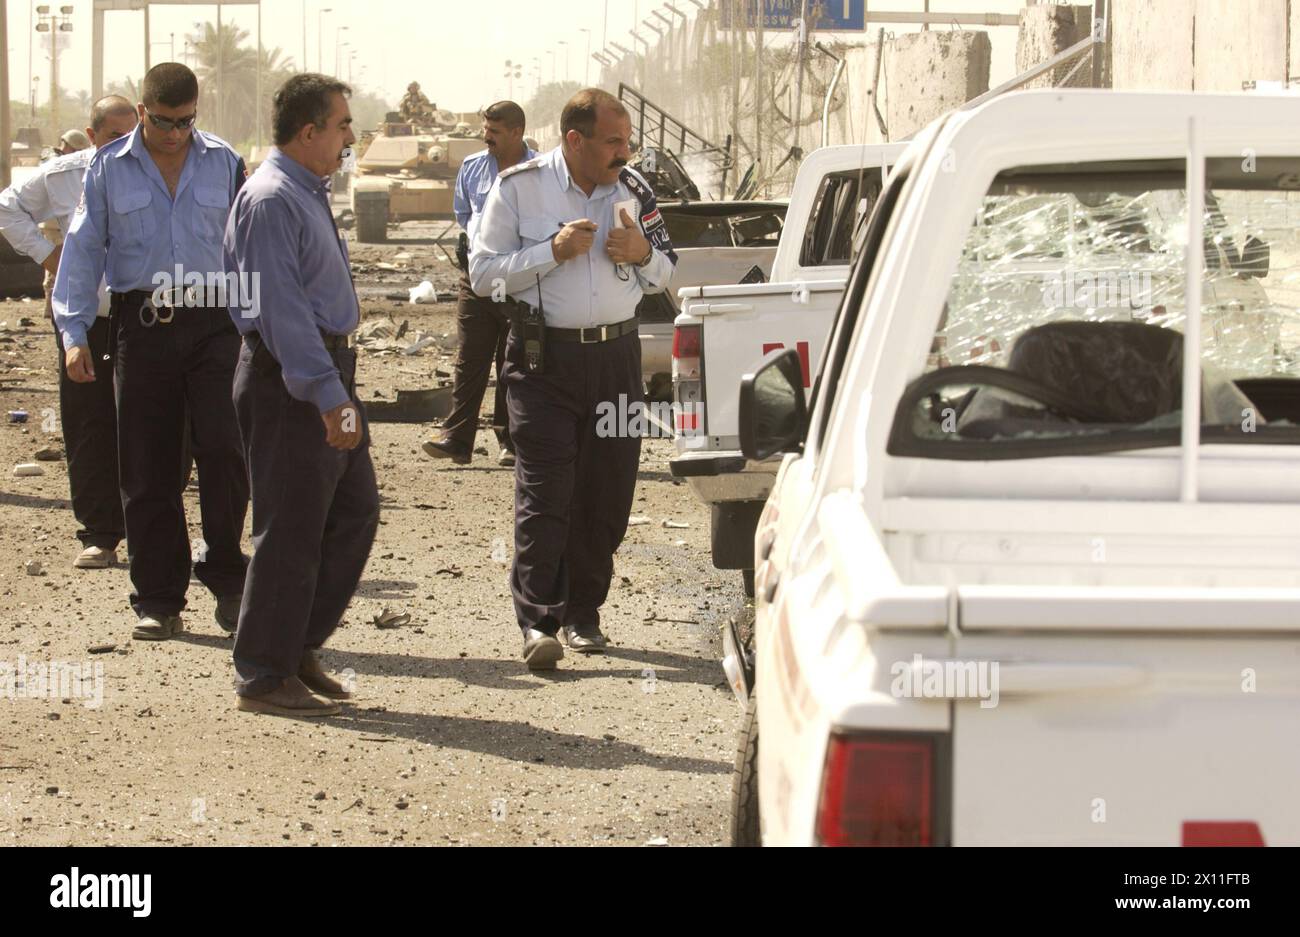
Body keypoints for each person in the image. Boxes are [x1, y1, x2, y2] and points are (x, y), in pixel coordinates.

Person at [470, 88, 677, 670]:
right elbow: (483, 274)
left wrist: (640, 253)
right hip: (543, 363)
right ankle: (539, 621)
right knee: (546, 492)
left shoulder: (636, 191)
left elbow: (665, 273)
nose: (624, 151)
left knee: (607, 492)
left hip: (616, 362)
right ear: (575, 140)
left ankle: (585, 615)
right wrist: (549, 251)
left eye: (627, 140)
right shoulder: (519, 188)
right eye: (614, 141)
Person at [52, 62, 249, 641]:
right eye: (164, 122)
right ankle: (159, 598)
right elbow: (84, 249)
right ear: (142, 112)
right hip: (143, 326)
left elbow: (248, 244)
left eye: (187, 121)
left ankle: (230, 580)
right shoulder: (108, 168)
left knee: (224, 452)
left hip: (217, 324)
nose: (176, 134)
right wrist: (73, 332)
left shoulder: (224, 160)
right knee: (147, 465)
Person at [222, 73, 378, 717]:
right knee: (289, 527)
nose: (350, 137)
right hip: (292, 376)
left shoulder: (304, 190)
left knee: (351, 513)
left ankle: (297, 646)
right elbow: (282, 311)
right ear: (309, 132)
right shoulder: (271, 198)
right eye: (342, 126)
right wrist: (325, 394)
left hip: (321, 371)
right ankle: (262, 673)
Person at [0, 96, 137, 570]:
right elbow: (8, 207)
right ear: (93, 134)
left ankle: (149, 530)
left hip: (149, 318)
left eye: (131, 132)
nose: (126, 143)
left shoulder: (160, 166)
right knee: (88, 424)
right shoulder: (63, 175)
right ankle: (100, 533)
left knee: (155, 426)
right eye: (115, 135)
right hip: (86, 320)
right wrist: (46, 254)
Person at [423, 100, 534, 468]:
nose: (486, 138)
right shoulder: (472, 169)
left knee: (511, 359)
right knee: (470, 357)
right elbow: (464, 215)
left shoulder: (540, 171)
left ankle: (510, 441)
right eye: (485, 131)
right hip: (477, 278)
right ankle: (458, 439)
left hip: (518, 277)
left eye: (495, 132)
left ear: (516, 132)